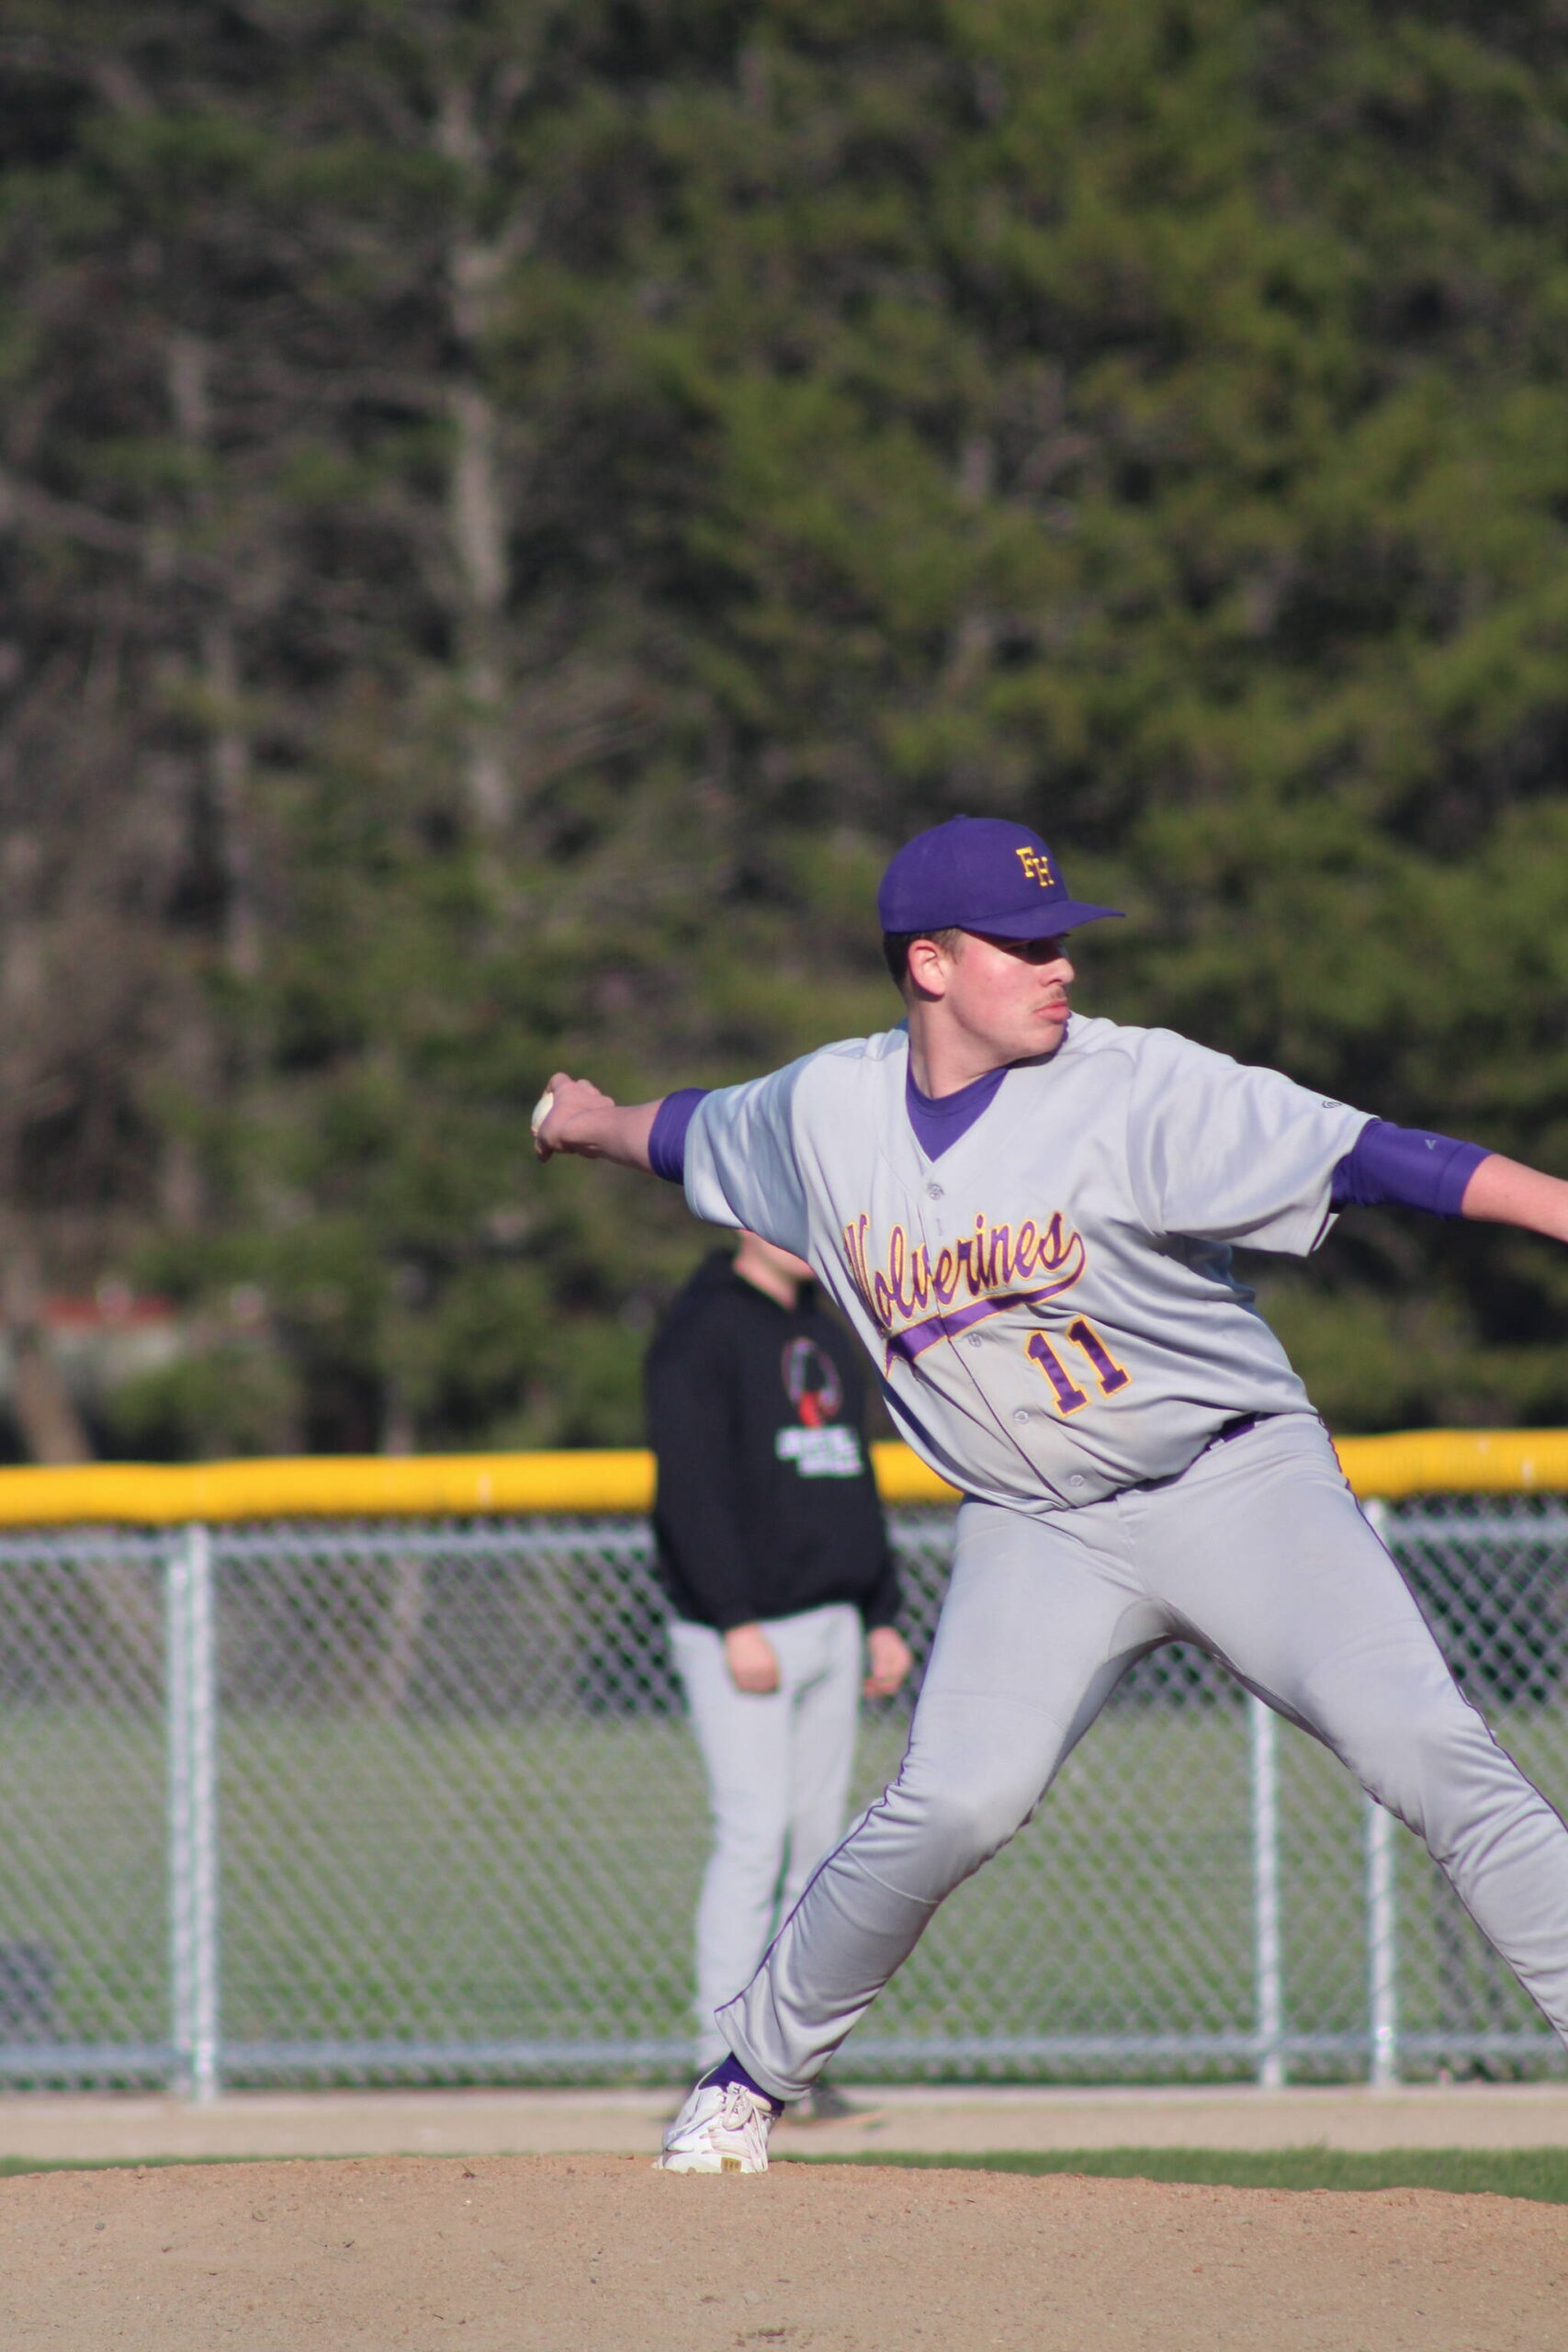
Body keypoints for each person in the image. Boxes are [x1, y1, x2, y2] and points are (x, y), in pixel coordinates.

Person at [534, 812, 1568, 2175]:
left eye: (1059, 939)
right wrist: (592, 1119)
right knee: (952, 1800)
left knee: (1427, 1751)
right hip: (1035, 1531)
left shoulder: (1132, 1087)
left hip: (1230, 1481)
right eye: (1021, 945)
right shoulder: (822, 1115)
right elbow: (686, 1135)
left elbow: (1374, 1157)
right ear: (926, 966)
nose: (1056, 965)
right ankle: (742, 2079)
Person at [646, 1228, 912, 2107]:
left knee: (813, 1852)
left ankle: (786, 2067)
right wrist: (732, 1618)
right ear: (737, 1220)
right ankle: (715, 2057)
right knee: (753, 1839)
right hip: (744, 1628)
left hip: (832, 1618)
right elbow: (689, 1488)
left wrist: (878, 1612)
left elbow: (851, 1478)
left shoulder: (824, 1327)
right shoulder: (701, 1327)